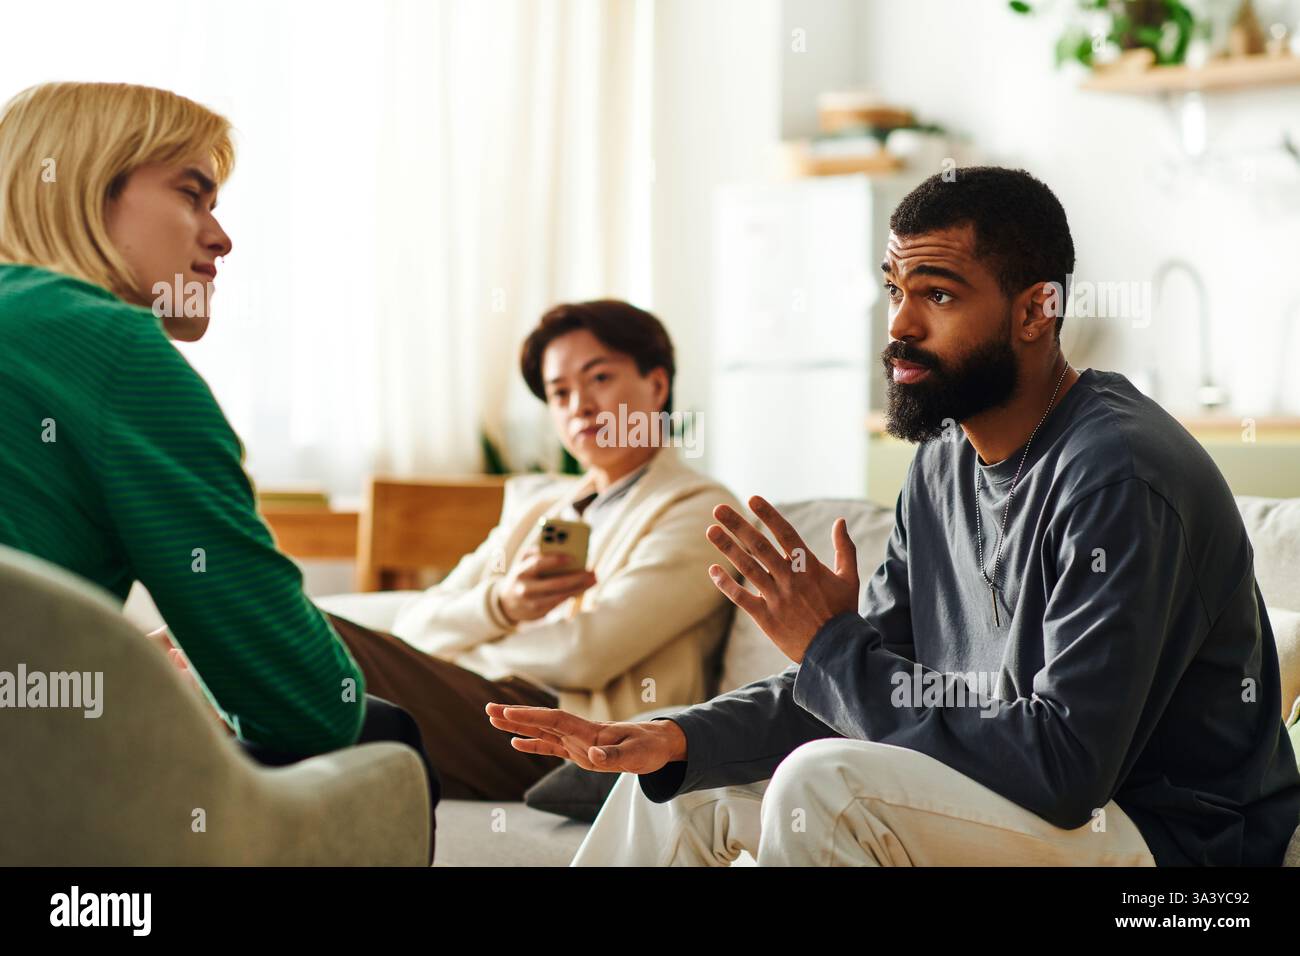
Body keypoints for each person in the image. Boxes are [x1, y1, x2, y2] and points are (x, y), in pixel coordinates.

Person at [489, 166, 1300, 866]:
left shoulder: (1117, 476)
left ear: (1034, 312)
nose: (900, 327)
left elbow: (1066, 766)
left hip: (1173, 847)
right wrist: (680, 737)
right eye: (894, 290)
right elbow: (859, 682)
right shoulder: (943, 461)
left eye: (938, 295)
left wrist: (831, 646)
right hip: (1035, 809)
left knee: (824, 783)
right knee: (677, 786)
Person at [0, 82, 439, 854]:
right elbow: (305, 705)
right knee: (381, 728)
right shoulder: (116, 350)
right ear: (85, 188)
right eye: (193, 194)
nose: (222, 237)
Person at [326, 299, 744, 800]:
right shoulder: (539, 506)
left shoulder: (700, 510)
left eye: (599, 379)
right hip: (479, 704)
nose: (579, 406)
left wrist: (468, 641)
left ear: (656, 385)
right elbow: (416, 623)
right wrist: (502, 604)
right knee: (307, 696)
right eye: (559, 392)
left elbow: (584, 654)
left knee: (315, 637)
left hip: (565, 737)